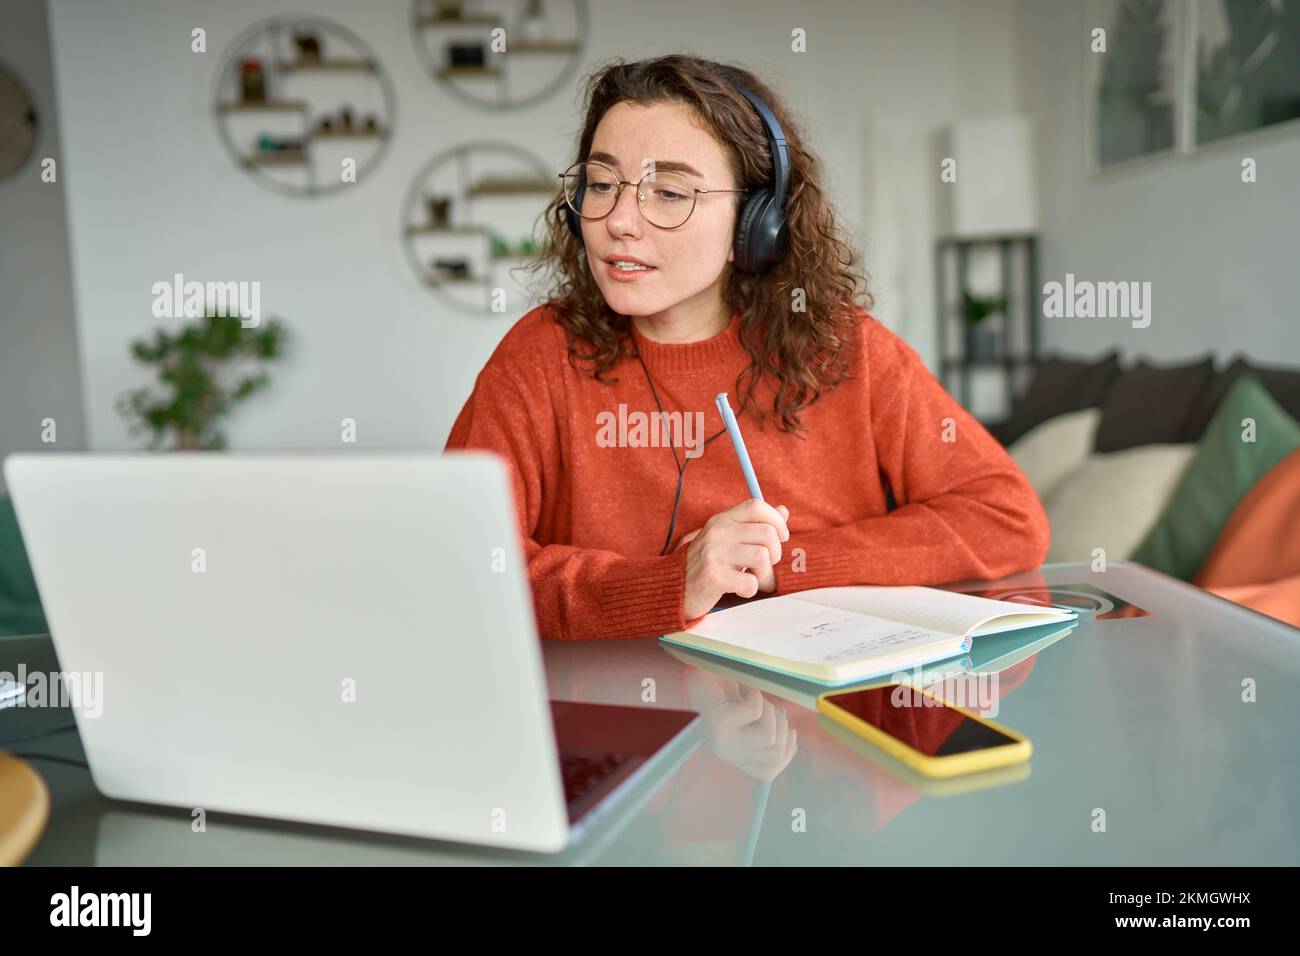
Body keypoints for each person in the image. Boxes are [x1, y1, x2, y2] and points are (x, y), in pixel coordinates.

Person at [445, 54, 1049, 641]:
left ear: (753, 225)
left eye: (670, 193)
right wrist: (665, 585)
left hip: (816, 724)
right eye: (602, 183)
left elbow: (1006, 517)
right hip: (610, 720)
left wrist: (783, 564)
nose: (619, 219)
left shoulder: (847, 350)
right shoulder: (540, 354)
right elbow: (462, 569)